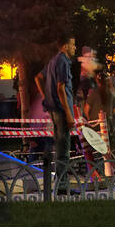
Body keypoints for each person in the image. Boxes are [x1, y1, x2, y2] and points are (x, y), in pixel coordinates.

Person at [37, 36, 77, 172]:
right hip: (61, 110)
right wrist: (69, 114)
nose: (75, 48)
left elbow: (38, 78)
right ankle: (62, 186)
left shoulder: (53, 61)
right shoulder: (63, 61)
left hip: (53, 109)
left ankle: (60, 183)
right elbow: (61, 88)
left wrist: (46, 97)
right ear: (65, 46)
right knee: (63, 149)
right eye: (73, 45)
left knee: (59, 145)